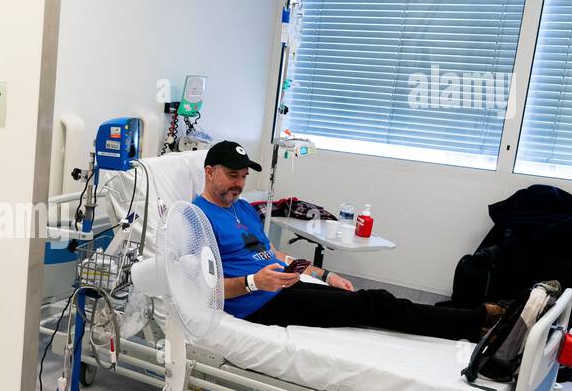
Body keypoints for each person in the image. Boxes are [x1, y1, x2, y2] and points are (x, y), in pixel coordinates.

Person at [191, 141, 504, 341]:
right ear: (209, 172)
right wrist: (253, 282)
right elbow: (205, 286)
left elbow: (272, 253)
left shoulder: (243, 208)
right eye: (233, 176)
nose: (240, 184)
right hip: (259, 304)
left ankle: (478, 323)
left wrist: (326, 276)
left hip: (283, 284)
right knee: (374, 303)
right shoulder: (196, 218)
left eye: (244, 176)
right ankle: (480, 322)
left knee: (372, 301)